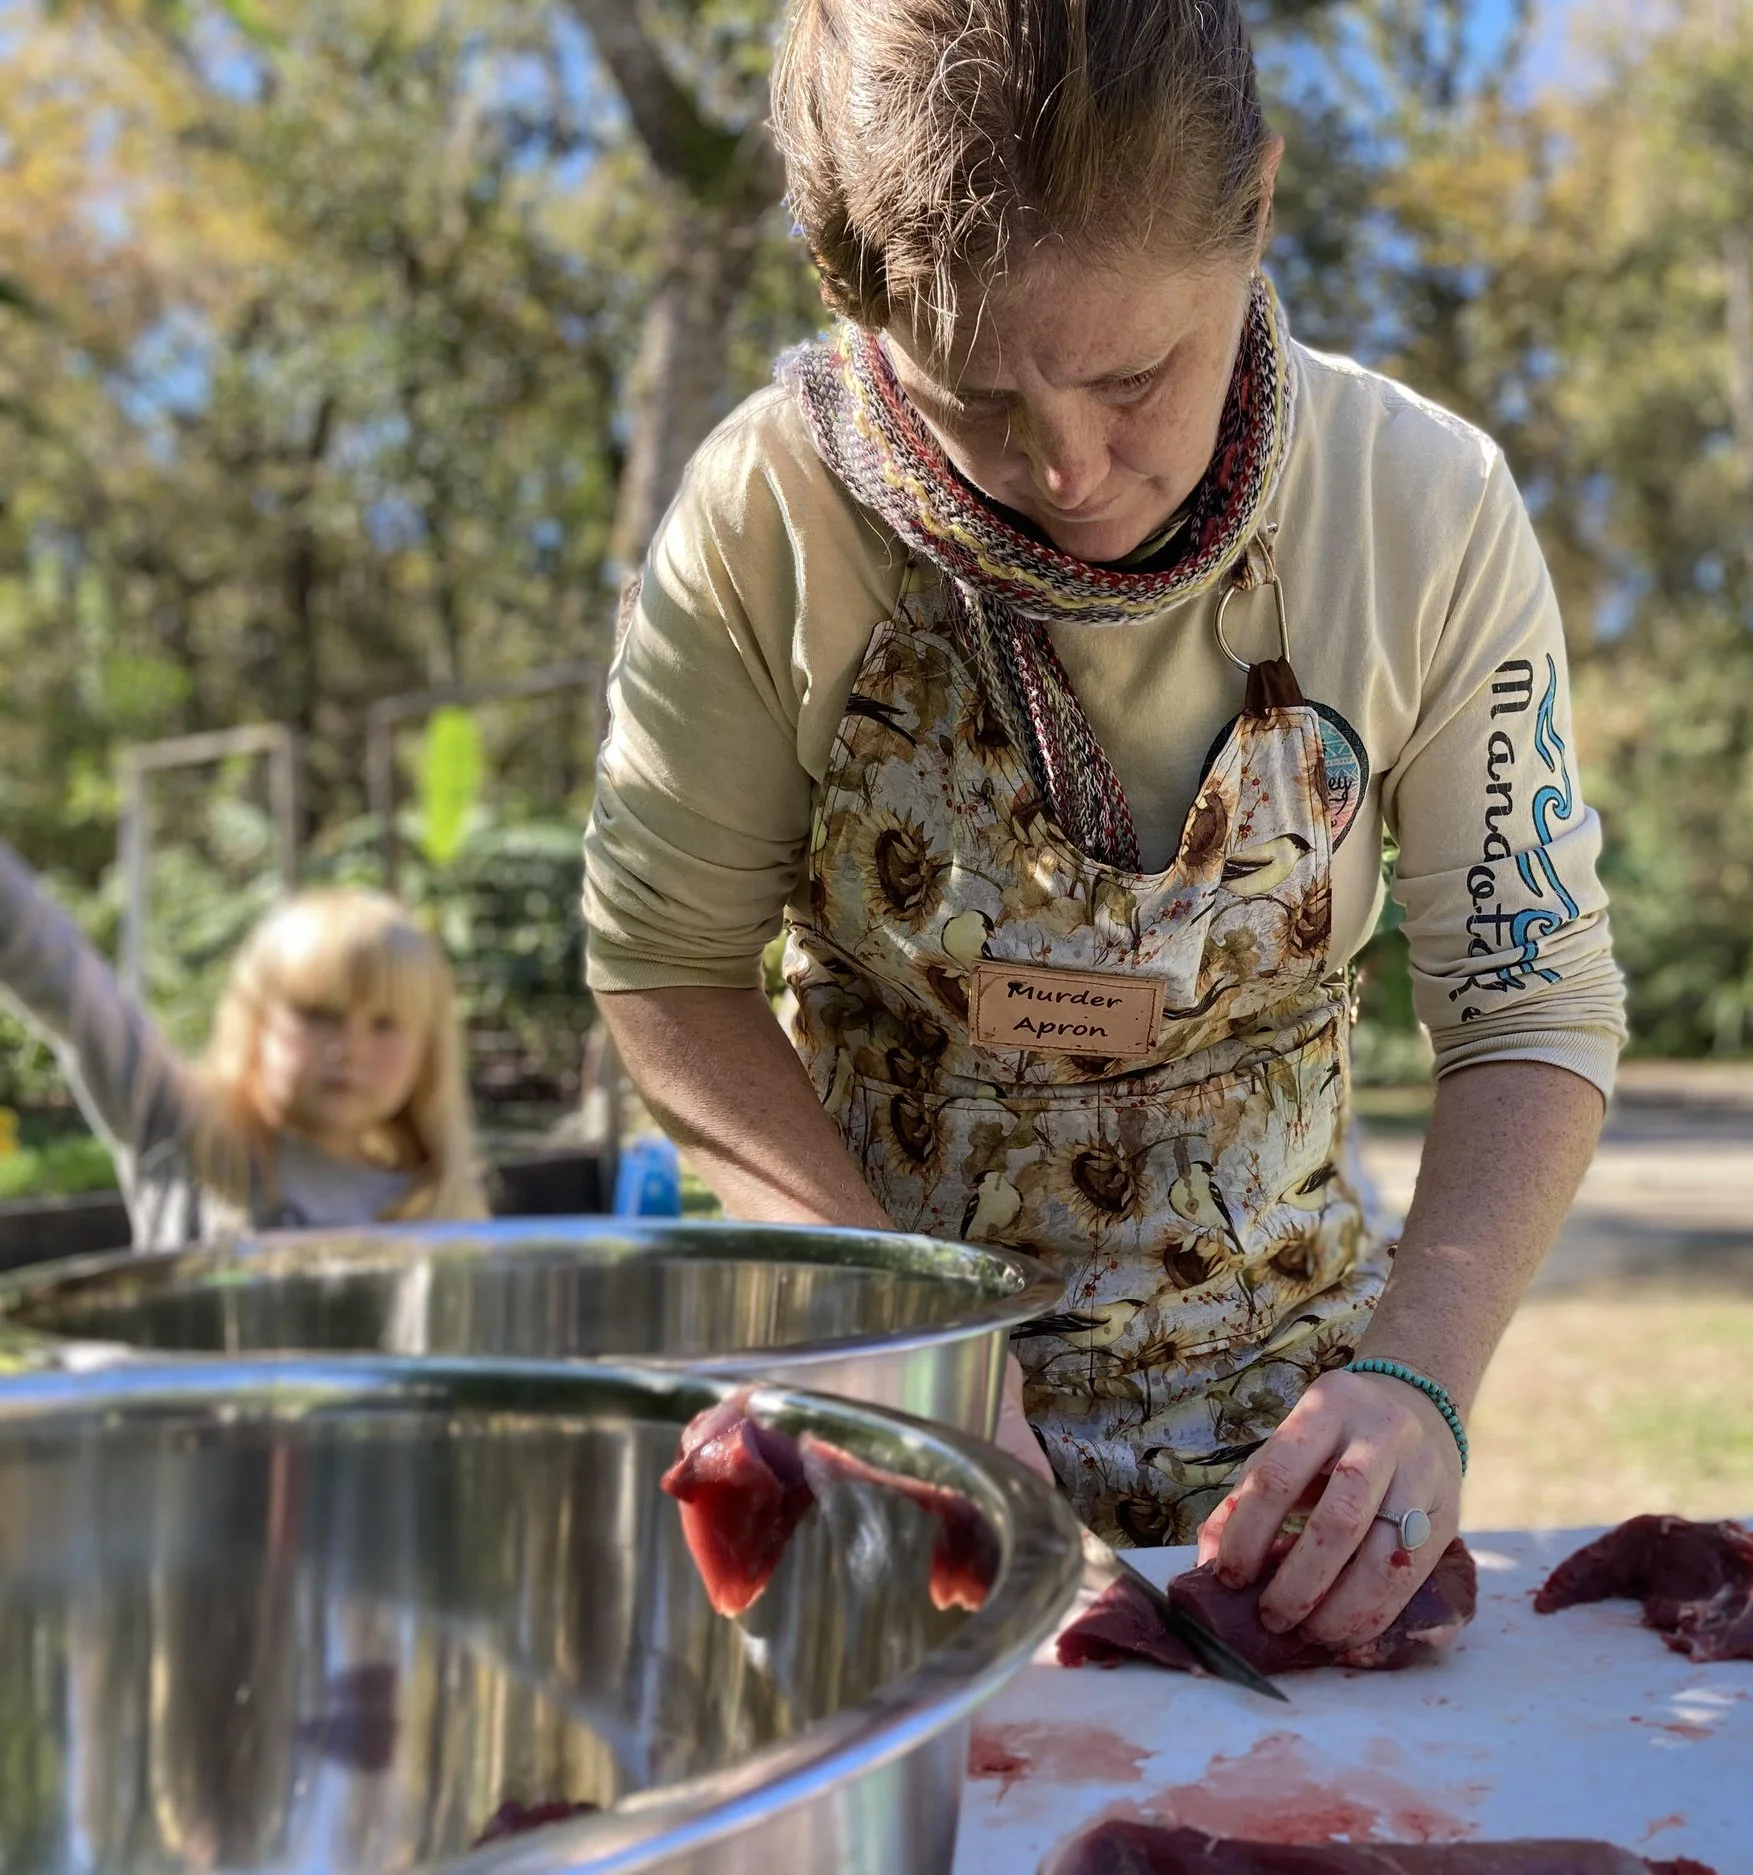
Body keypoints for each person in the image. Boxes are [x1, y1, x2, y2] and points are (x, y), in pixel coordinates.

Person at [584, 0, 1625, 1652]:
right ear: (857, 306)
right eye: (977, 397)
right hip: (876, 1423)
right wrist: (902, 1354)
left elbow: (1532, 998)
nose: (1070, 469)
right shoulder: (767, 517)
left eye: (1137, 374)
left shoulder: (1421, 511)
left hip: (1282, 1463)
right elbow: (664, 966)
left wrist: (1418, 1377)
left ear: (1259, 210)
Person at [0, 839, 488, 1248]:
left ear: (429, 1047)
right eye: (319, 1015)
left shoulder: (438, 1214)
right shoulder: (185, 1134)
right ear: (254, 1018)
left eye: (384, 1024)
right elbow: (52, 964)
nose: (351, 1048)